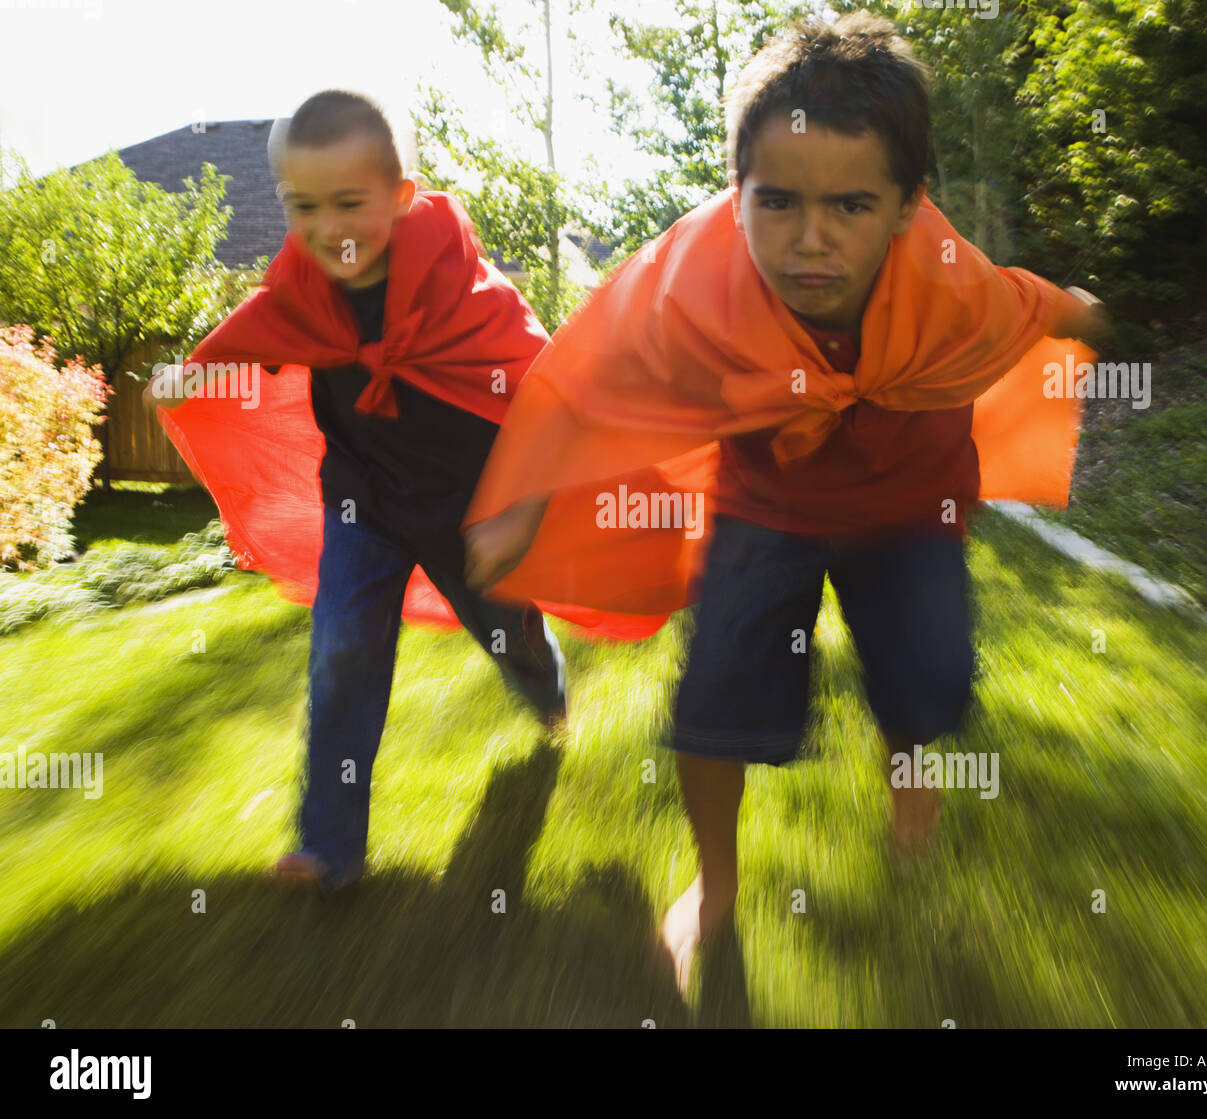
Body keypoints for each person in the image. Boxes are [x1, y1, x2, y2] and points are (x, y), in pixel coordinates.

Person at [460, 12, 1109, 992]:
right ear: (737, 193)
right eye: (777, 203)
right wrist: (517, 506)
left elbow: (1034, 304)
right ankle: (713, 885)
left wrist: (1088, 316)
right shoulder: (688, 286)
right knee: (714, 698)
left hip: (908, 503)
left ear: (904, 207)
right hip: (766, 503)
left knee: (924, 675)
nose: (810, 240)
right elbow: (583, 375)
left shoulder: (950, 286)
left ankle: (910, 773)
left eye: (850, 205)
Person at [147, 90, 569, 893]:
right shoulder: (302, 290)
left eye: (350, 202)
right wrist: (190, 371)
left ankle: (543, 682)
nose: (329, 226)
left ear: (401, 199)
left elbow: (544, 385)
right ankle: (329, 848)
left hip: (470, 513)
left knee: (507, 633)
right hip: (362, 502)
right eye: (304, 206)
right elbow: (259, 323)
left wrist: (519, 513)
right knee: (343, 647)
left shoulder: (464, 289)